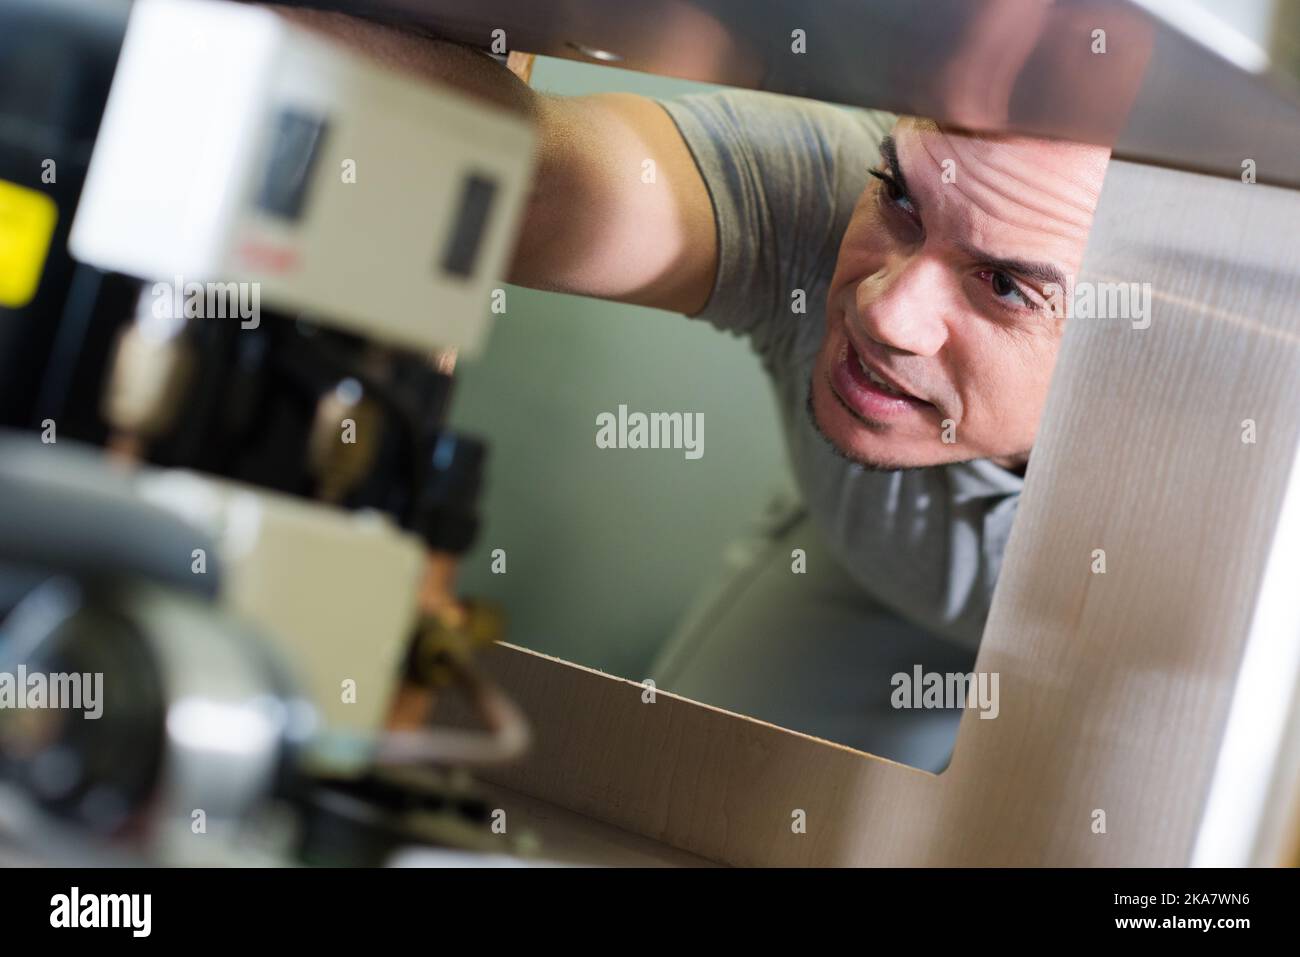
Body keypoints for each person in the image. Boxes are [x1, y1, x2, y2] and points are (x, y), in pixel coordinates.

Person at [272, 6, 1109, 769]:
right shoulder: (827, 196)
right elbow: (516, 179)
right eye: (900, 200)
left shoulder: (1212, 525)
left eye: (1004, 286)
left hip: (1117, 662)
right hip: (875, 566)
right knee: (683, 791)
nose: (886, 311)